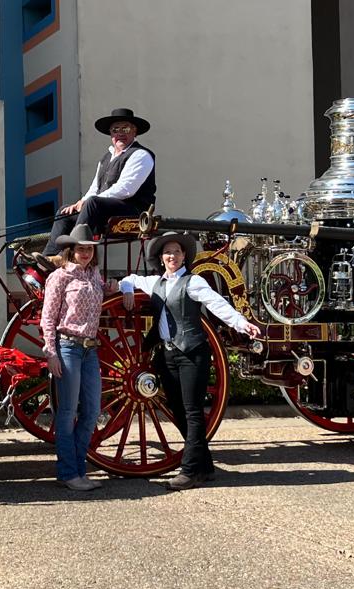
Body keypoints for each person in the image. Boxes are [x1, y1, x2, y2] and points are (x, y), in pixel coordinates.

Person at [119, 232, 262, 490]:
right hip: (168, 355)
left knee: (193, 412)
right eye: (167, 252)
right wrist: (127, 288)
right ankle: (204, 467)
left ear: (184, 256)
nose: (171, 256)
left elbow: (217, 304)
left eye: (176, 252)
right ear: (161, 258)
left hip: (192, 353)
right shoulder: (155, 283)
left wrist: (242, 324)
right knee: (178, 411)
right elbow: (129, 278)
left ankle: (189, 471)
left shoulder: (193, 282)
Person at [40, 224, 113, 491]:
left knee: (92, 410)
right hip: (68, 347)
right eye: (81, 249)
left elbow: (109, 289)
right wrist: (51, 353)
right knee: (67, 411)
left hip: (90, 350)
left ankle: (79, 469)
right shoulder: (59, 277)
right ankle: (69, 473)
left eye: (89, 249)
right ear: (71, 250)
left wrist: (126, 290)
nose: (85, 253)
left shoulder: (95, 275)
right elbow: (47, 318)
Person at [34, 108, 156, 266]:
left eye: (125, 128)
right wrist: (80, 202)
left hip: (134, 211)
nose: (120, 133)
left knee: (93, 203)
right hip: (103, 208)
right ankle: (49, 257)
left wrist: (89, 201)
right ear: (111, 134)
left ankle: (69, 255)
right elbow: (95, 188)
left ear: (135, 132)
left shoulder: (141, 154)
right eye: (115, 129)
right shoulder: (105, 158)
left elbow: (125, 189)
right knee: (64, 212)